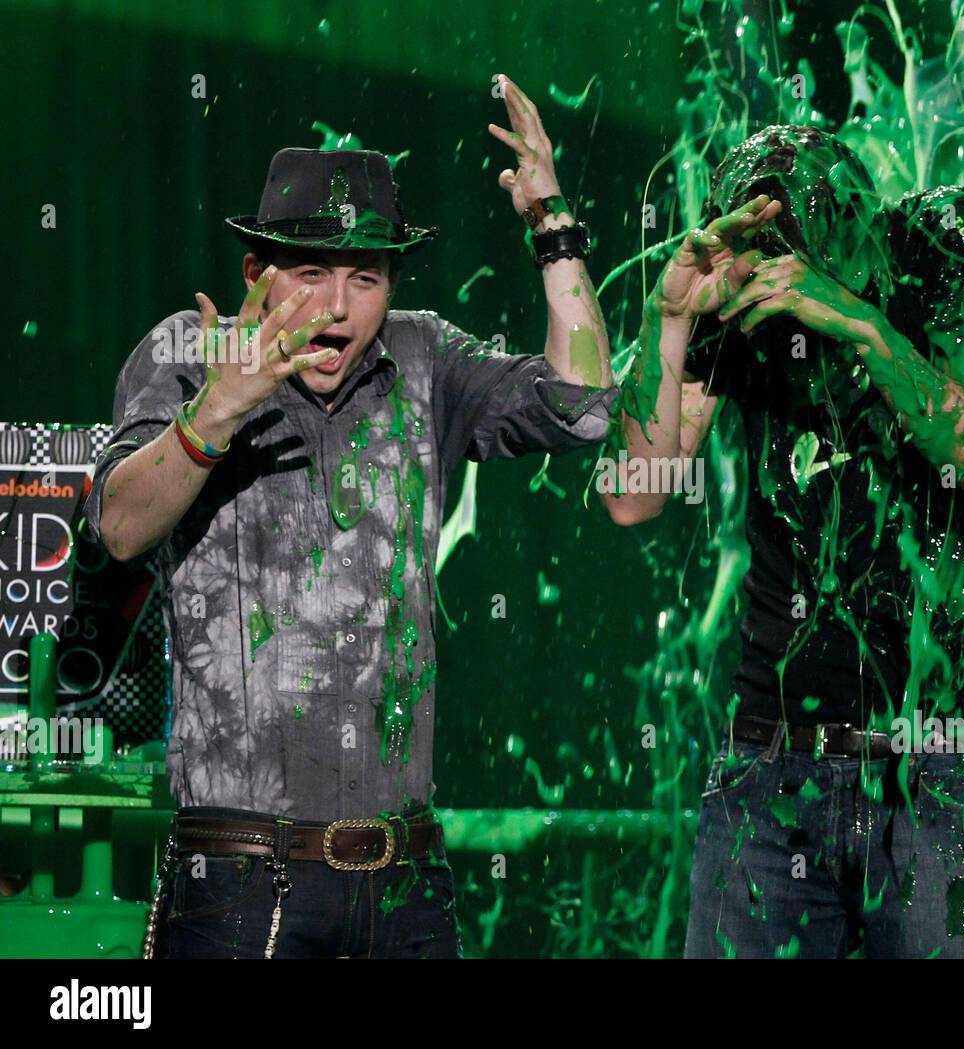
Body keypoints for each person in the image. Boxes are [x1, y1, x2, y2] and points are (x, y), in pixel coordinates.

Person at [84, 75, 615, 959]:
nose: (335, 306)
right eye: (310, 274)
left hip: (405, 880)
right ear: (255, 272)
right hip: (239, 879)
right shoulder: (189, 351)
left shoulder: (425, 356)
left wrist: (552, 224)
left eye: (363, 278)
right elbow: (117, 526)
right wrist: (215, 413)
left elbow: (587, 403)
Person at [603, 124, 964, 958]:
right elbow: (633, 496)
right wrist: (668, 320)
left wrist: (860, 327)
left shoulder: (936, 257)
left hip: (933, 772)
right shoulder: (739, 308)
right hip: (768, 772)